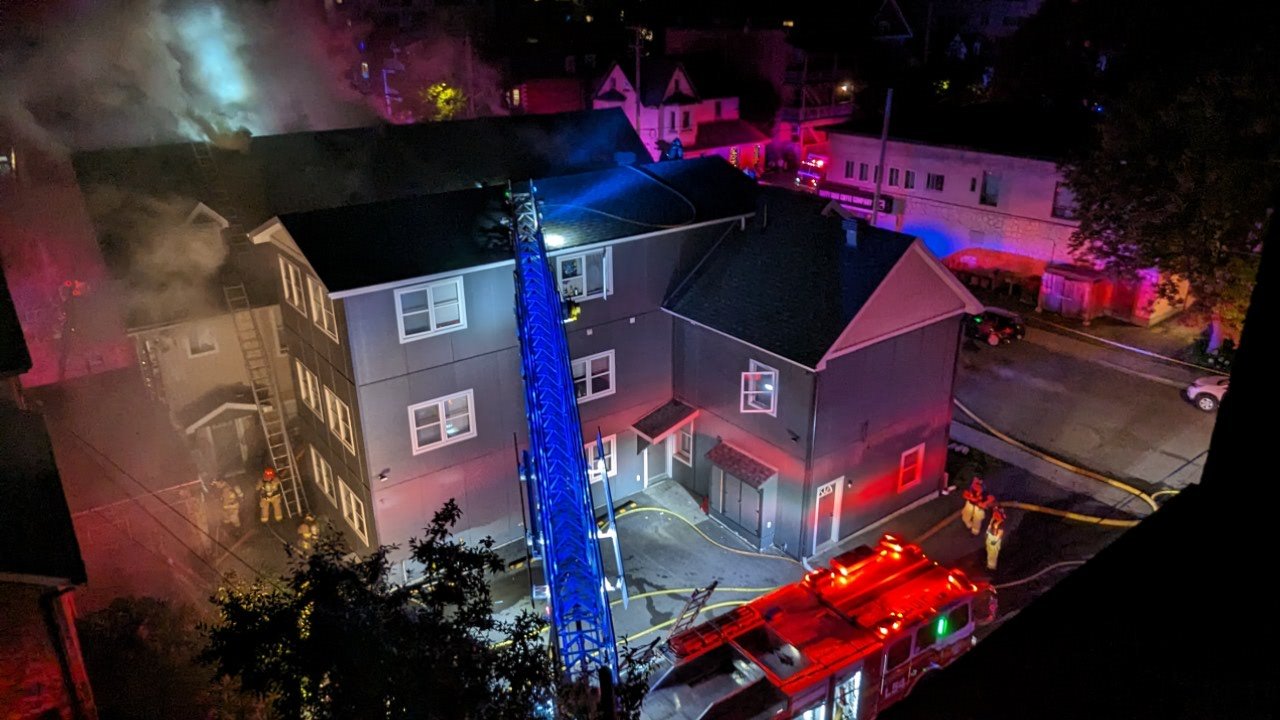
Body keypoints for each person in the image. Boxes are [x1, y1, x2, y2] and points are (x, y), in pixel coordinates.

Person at [986, 504, 1007, 571]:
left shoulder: (1001, 524)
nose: (994, 514)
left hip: (994, 540)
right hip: (990, 537)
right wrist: (988, 531)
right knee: (989, 552)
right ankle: (989, 565)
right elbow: (990, 525)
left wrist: (995, 541)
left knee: (993, 554)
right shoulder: (993, 519)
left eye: (996, 513)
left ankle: (992, 567)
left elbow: (1000, 533)